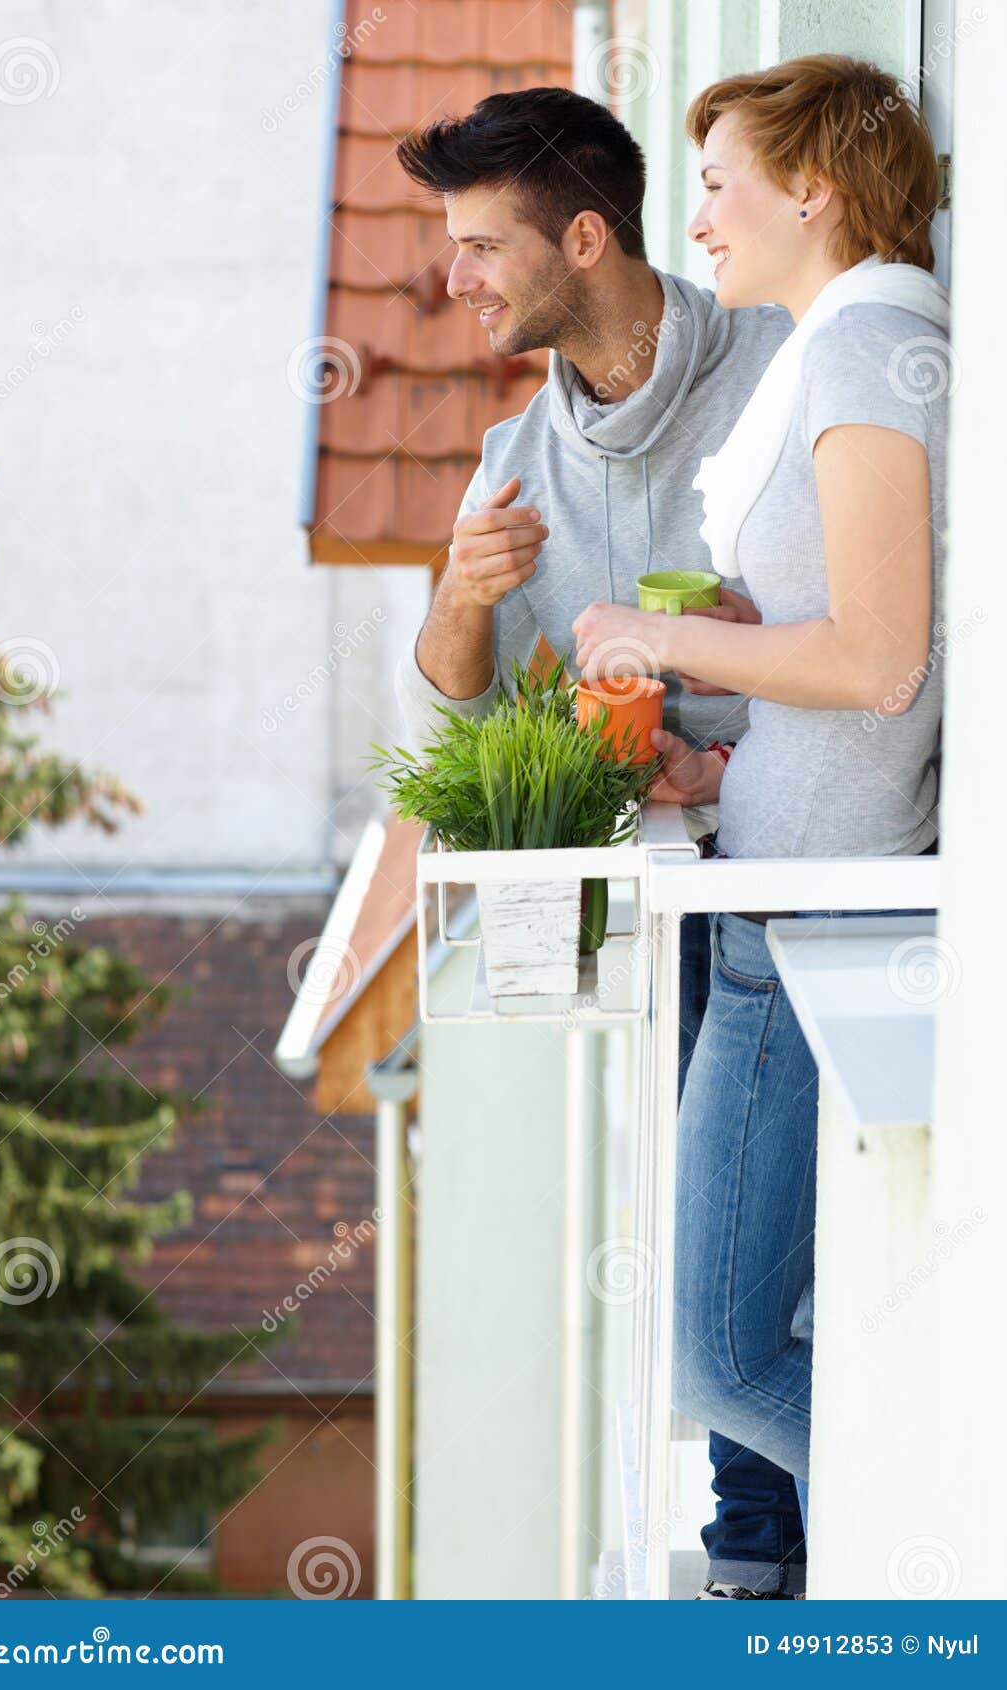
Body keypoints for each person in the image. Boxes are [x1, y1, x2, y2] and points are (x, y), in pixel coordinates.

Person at [394, 86, 808, 1598]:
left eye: (484, 244)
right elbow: (465, 721)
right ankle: (761, 1554)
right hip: (685, 915)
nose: (461, 278)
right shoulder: (516, 455)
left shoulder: (778, 365)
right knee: (722, 1275)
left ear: (586, 236)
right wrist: (455, 599)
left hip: (843, 869)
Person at [572, 55, 948, 1553]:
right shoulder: (844, 349)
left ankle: (933, 1536)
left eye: (723, 179)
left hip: (813, 918)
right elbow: (843, 647)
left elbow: (876, 658)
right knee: (737, 1334)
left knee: (721, 1353)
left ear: (820, 188)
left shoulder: (866, 358)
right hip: (779, 888)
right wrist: (724, 743)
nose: (701, 216)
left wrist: (664, 636)